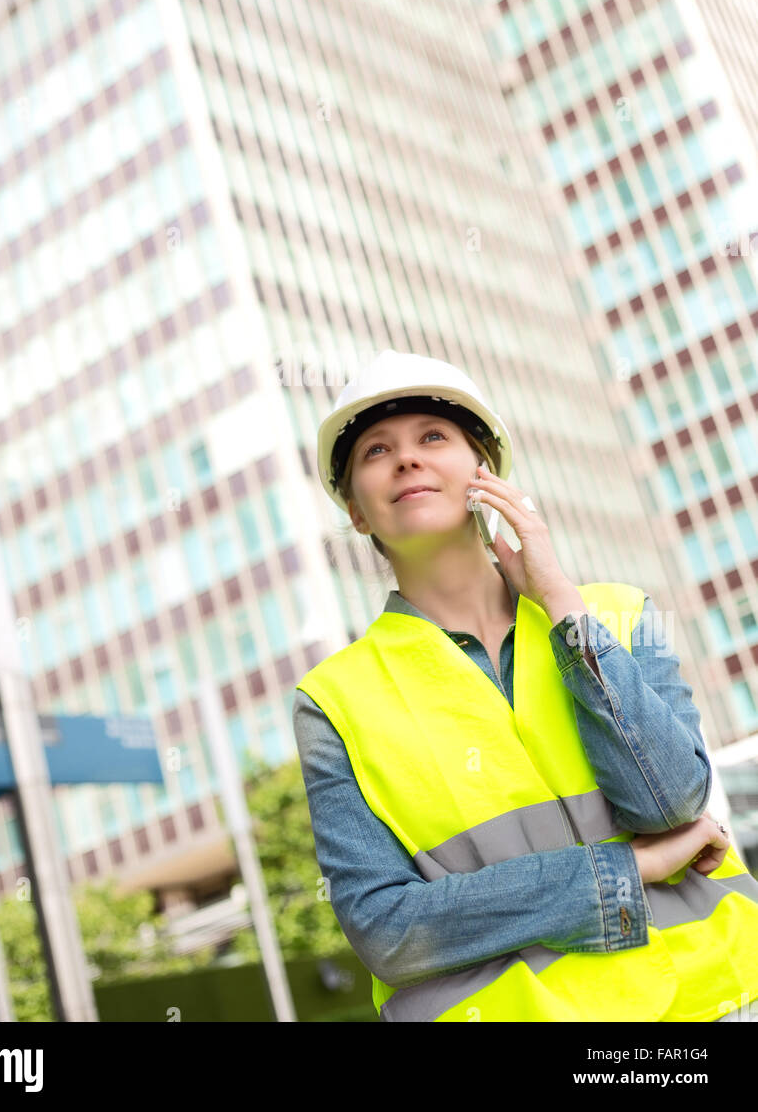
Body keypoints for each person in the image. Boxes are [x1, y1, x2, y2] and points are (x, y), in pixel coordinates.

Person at [293, 349, 758, 1022]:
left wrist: (563, 604)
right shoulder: (331, 702)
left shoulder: (628, 612)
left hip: (722, 998)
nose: (406, 459)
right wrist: (624, 873)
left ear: (485, 472)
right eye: (375, 452)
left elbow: (670, 803)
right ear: (356, 512)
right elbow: (391, 930)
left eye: (432, 437)